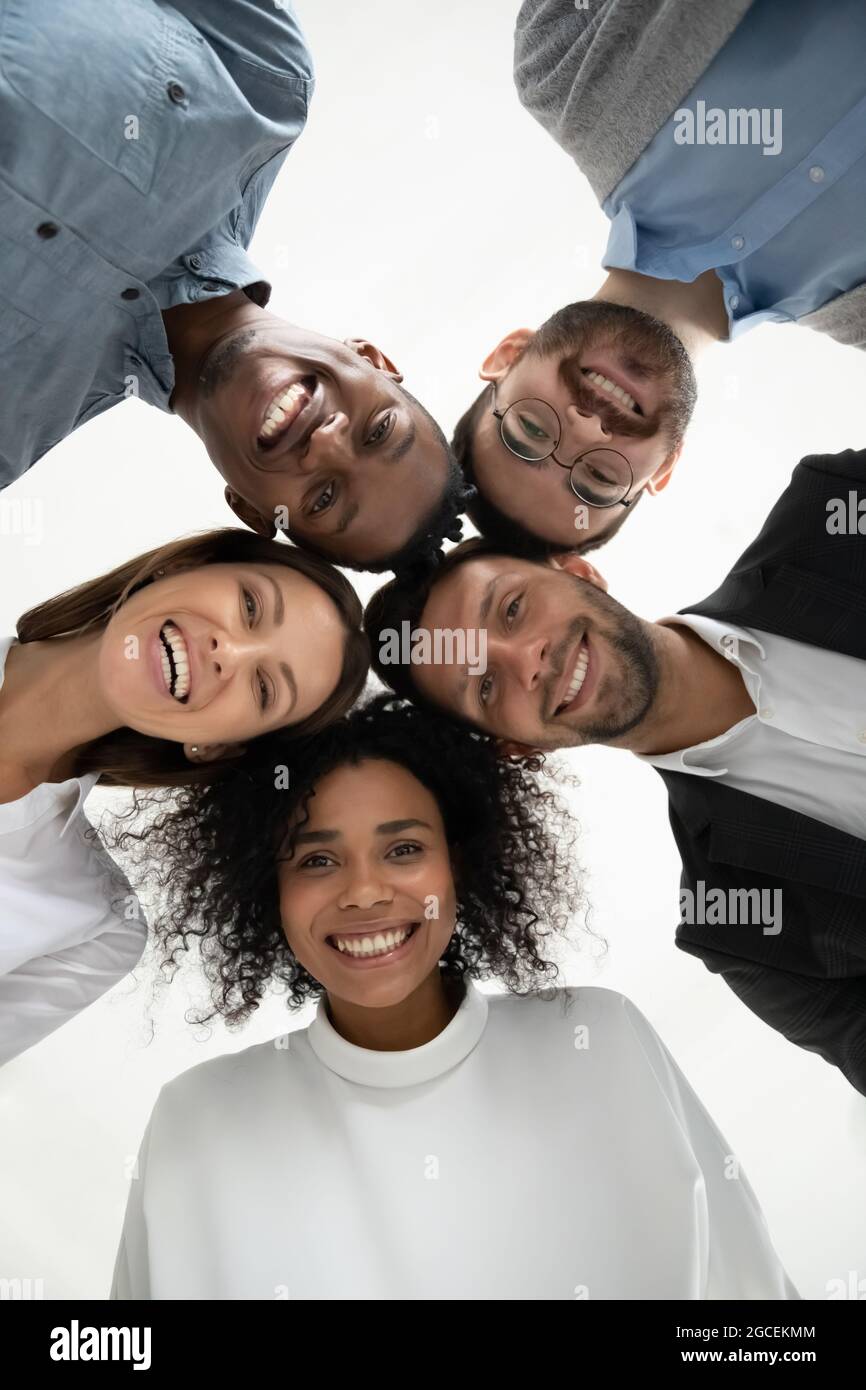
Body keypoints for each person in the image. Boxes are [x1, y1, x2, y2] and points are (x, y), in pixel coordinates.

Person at [109, 695, 795, 1300]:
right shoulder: (197, 1120)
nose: (365, 891)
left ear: (458, 863)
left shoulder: (600, 1039)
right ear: (269, 891)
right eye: (317, 860)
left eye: (403, 849)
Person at [366, 445, 866, 1096]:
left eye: (512, 609)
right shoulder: (742, 928)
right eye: (486, 685)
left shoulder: (831, 511)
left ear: (578, 570)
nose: (530, 660)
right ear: (514, 748)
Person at [0, 0, 467, 570]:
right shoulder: (265, 78)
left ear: (250, 511)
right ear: (370, 356)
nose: (325, 443)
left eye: (324, 498)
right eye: (377, 430)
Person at [452, 0, 866, 554]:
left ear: (508, 354)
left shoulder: (562, 67)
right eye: (598, 480)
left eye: (529, 432)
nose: (588, 430)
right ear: (666, 467)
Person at [0, 528, 368, 1065]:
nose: (230, 651)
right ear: (183, 566)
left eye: (264, 688)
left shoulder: (97, 932)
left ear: (216, 746)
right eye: (250, 604)